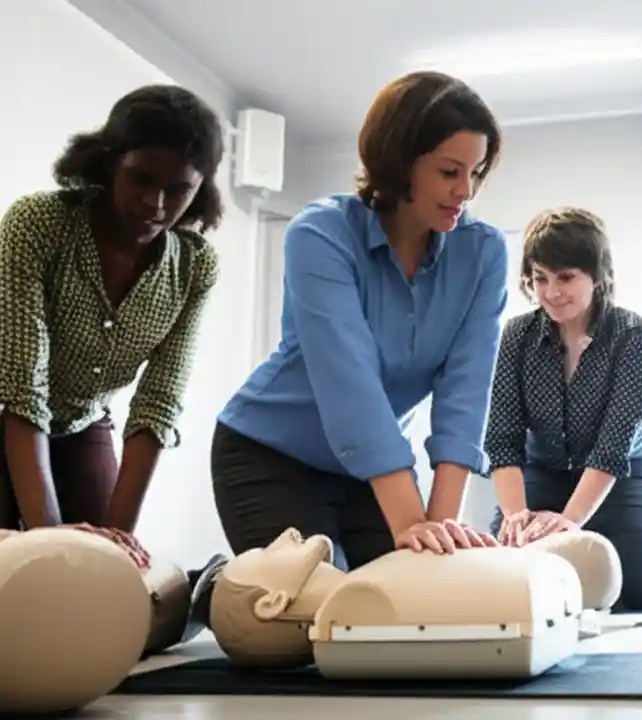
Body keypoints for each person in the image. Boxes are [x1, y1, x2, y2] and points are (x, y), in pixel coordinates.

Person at [211, 71, 506, 572]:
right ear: (399, 159)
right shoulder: (320, 235)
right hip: (272, 456)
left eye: (475, 173)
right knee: (311, 618)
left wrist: (439, 531)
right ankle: (217, 584)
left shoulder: (483, 252)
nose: (466, 191)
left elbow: (466, 389)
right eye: (450, 171)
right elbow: (352, 386)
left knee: (402, 609)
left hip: (367, 474)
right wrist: (412, 525)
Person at [0, 85, 223, 540]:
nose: (156, 205)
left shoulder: (194, 265)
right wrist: (50, 541)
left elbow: (157, 405)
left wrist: (113, 548)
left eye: (178, 190)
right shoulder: (38, 225)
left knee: (103, 571)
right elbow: (21, 387)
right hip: (9, 410)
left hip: (82, 422)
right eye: (141, 179)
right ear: (108, 162)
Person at [483, 207, 642, 612]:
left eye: (565, 277)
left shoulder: (631, 335)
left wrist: (569, 524)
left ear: (598, 275)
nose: (551, 292)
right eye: (540, 278)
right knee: (506, 573)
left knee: (641, 590)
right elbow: (502, 439)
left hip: (620, 472)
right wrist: (516, 517)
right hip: (543, 468)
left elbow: (613, 444)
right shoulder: (517, 336)